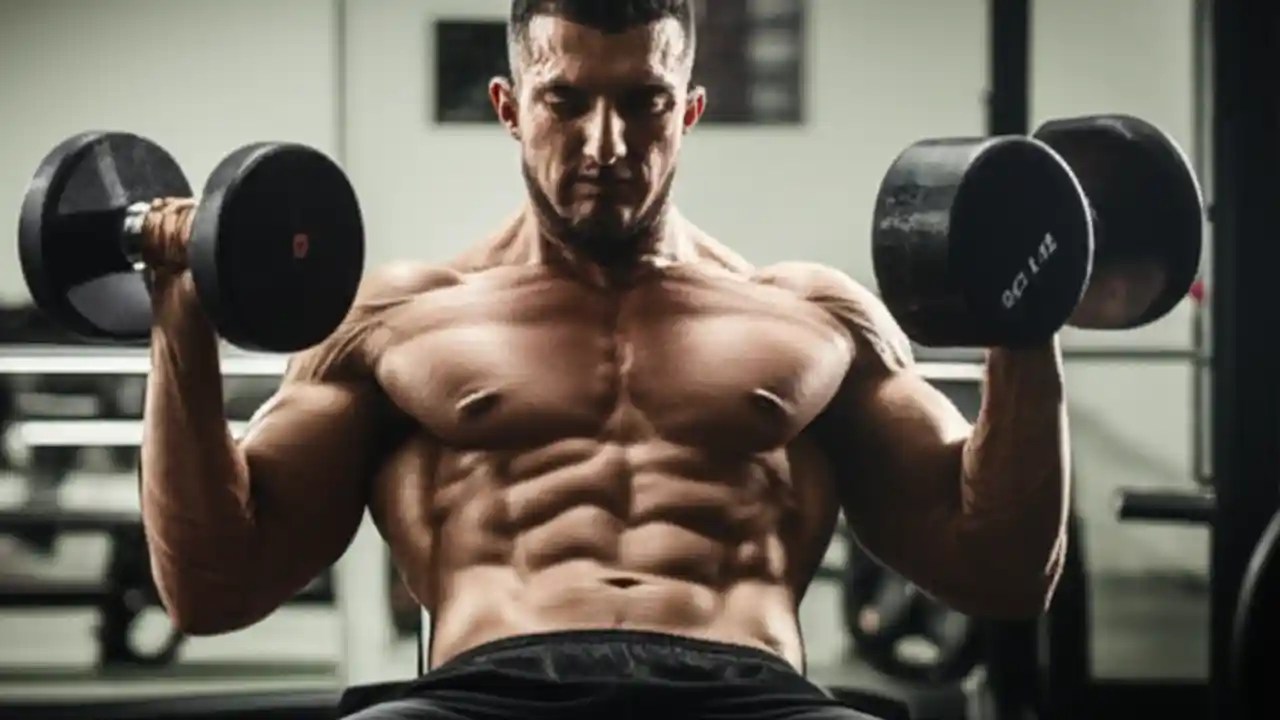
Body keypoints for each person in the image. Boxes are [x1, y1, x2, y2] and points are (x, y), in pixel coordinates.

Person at [139, 1, 1070, 718]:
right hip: (487, 695)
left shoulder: (816, 319)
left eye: (644, 104)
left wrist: (1027, 315)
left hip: (749, 693)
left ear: (690, 109)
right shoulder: (396, 322)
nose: (605, 144)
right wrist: (178, 301)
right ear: (509, 106)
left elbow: (1002, 567)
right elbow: (214, 584)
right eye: (566, 100)